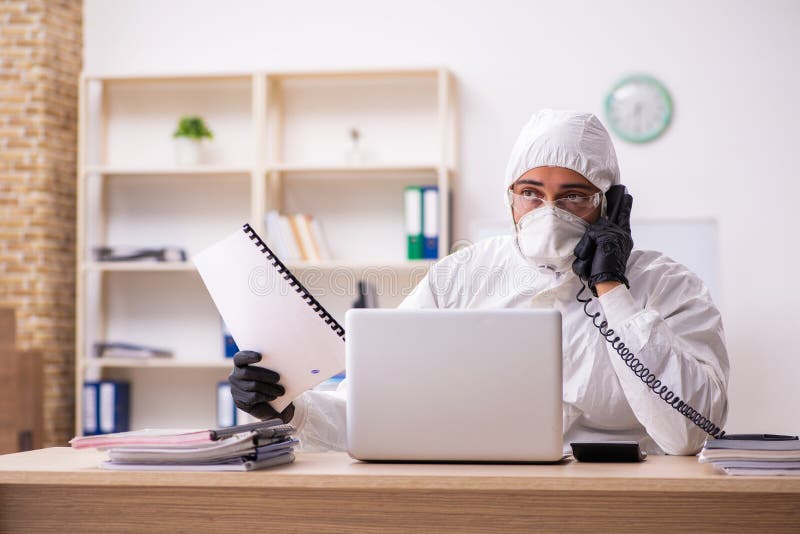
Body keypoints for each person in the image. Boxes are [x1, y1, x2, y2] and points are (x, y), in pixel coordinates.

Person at [229, 109, 729, 455]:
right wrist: (291, 407)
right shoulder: (461, 277)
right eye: (531, 192)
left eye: (573, 195)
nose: (548, 212)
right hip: (486, 495)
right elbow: (378, 404)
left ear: (610, 204)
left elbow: (688, 432)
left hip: (624, 504)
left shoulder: (669, 287)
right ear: (509, 198)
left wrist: (612, 289)